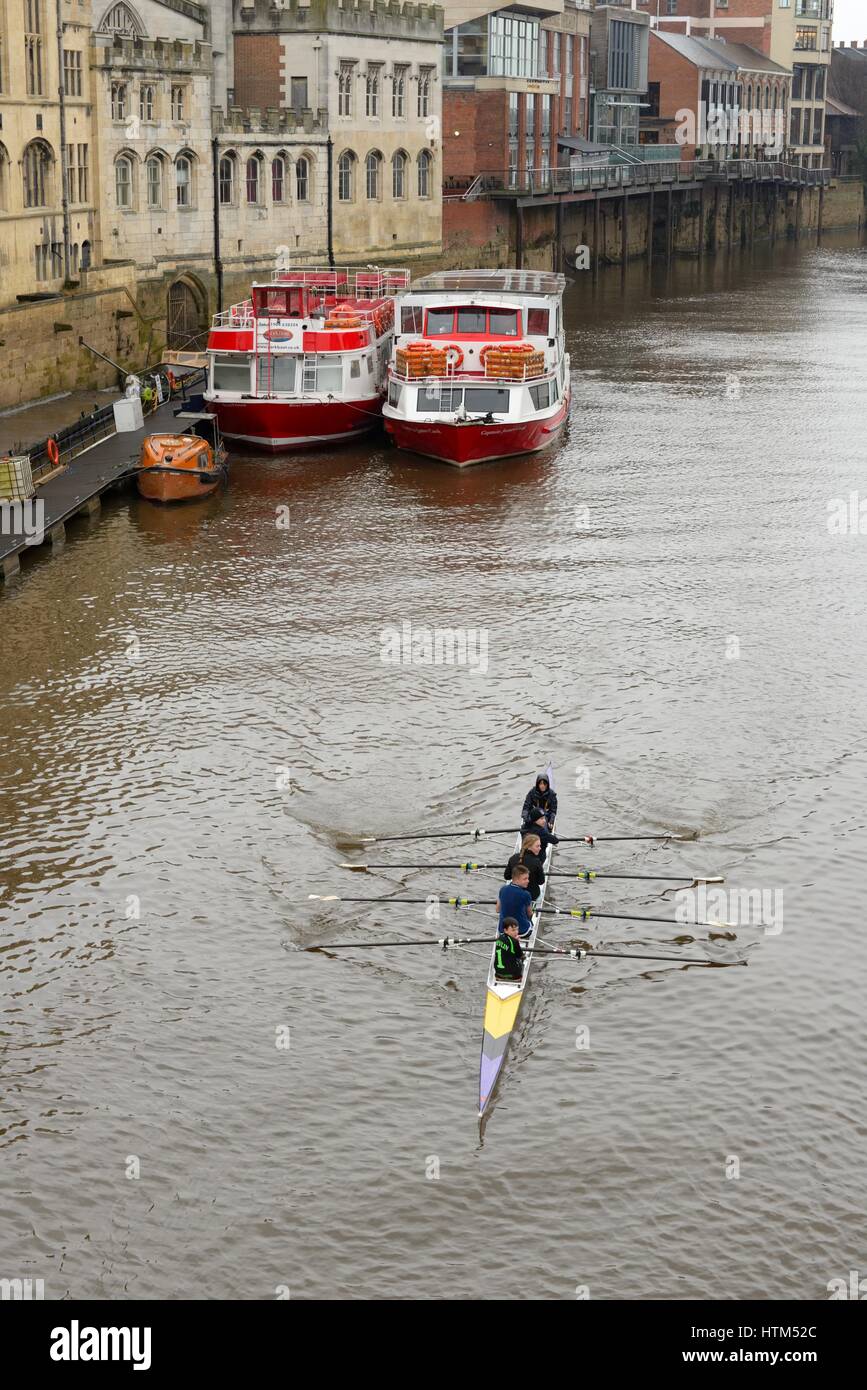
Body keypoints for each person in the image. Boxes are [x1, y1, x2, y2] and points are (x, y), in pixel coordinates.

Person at [504, 833, 546, 901]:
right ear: (529, 847)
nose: (540, 848)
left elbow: (507, 876)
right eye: (537, 846)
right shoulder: (537, 862)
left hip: (514, 893)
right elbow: (541, 881)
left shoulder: (513, 858)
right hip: (532, 895)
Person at [497, 864, 534, 937]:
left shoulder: (503, 889)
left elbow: (498, 909)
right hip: (522, 932)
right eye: (525, 879)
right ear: (516, 879)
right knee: (531, 918)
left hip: (503, 931)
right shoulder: (526, 894)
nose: (528, 881)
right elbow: (530, 913)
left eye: (528, 878)